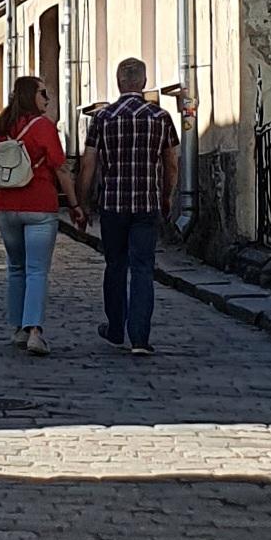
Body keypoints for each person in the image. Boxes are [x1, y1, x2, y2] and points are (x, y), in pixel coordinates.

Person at [78, 57, 179, 357]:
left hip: (112, 204)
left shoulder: (103, 118)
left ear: (119, 82)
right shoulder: (160, 117)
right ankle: (139, 338)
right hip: (146, 203)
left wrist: (82, 203)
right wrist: (166, 195)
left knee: (115, 265)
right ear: (144, 82)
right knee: (143, 268)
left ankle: (115, 328)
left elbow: (88, 164)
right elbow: (171, 162)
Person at [0, 75, 84, 356]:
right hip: (39, 206)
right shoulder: (43, 126)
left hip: (7, 205)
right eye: (43, 93)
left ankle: (17, 328)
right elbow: (61, 168)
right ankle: (34, 332)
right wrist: (75, 204)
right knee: (37, 270)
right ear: (32, 95)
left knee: (15, 268)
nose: (47, 98)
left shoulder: (4, 125)